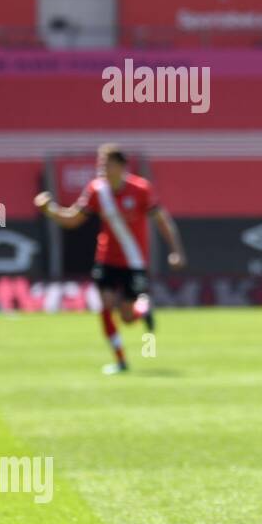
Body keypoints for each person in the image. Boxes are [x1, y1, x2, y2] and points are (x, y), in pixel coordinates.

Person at [34, 144, 186, 373]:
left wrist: (176, 250)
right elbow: (73, 219)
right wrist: (50, 210)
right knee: (104, 305)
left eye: (106, 162)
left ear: (121, 166)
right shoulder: (97, 190)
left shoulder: (141, 189)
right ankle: (120, 360)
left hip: (134, 262)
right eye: (100, 162)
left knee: (126, 317)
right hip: (106, 259)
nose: (101, 167)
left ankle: (142, 309)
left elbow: (161, 220)